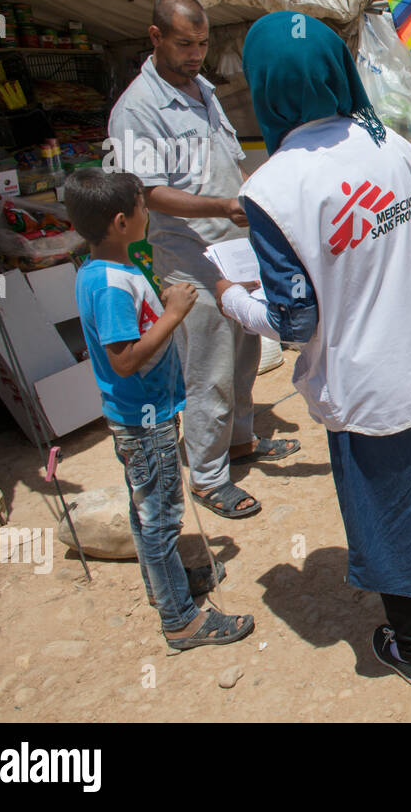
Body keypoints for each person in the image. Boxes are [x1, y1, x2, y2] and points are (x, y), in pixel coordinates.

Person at [217, 12, 411, 687]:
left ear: (266, 89)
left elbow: (295, 320)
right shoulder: (394, 147)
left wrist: (231, 299)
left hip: (370, 388)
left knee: (390, 515)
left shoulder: (268, 191)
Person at [107, 0, 299, 522]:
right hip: (187, 250)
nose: (196, 54)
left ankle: (239, 441)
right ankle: (209, 476)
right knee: (208, 363)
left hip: (232, 244)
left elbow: (230, 164)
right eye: (185, 43)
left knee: (243, 349)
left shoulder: (204, 91)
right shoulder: (137, 109)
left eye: (203, 43)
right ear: (155, 37)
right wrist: (221, 205)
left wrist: (251, 204)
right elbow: (147, 192)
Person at [68, 167, 254, 651]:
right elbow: (125, 360)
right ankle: (181, 621)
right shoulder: (110, 284)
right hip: (141, 419)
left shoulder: (111, 268)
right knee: (162, 517)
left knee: (146, 507)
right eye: (142, 207)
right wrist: (173, 314)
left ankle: (164, 586)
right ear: (121, 221)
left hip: (144, 414)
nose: (148, 212)